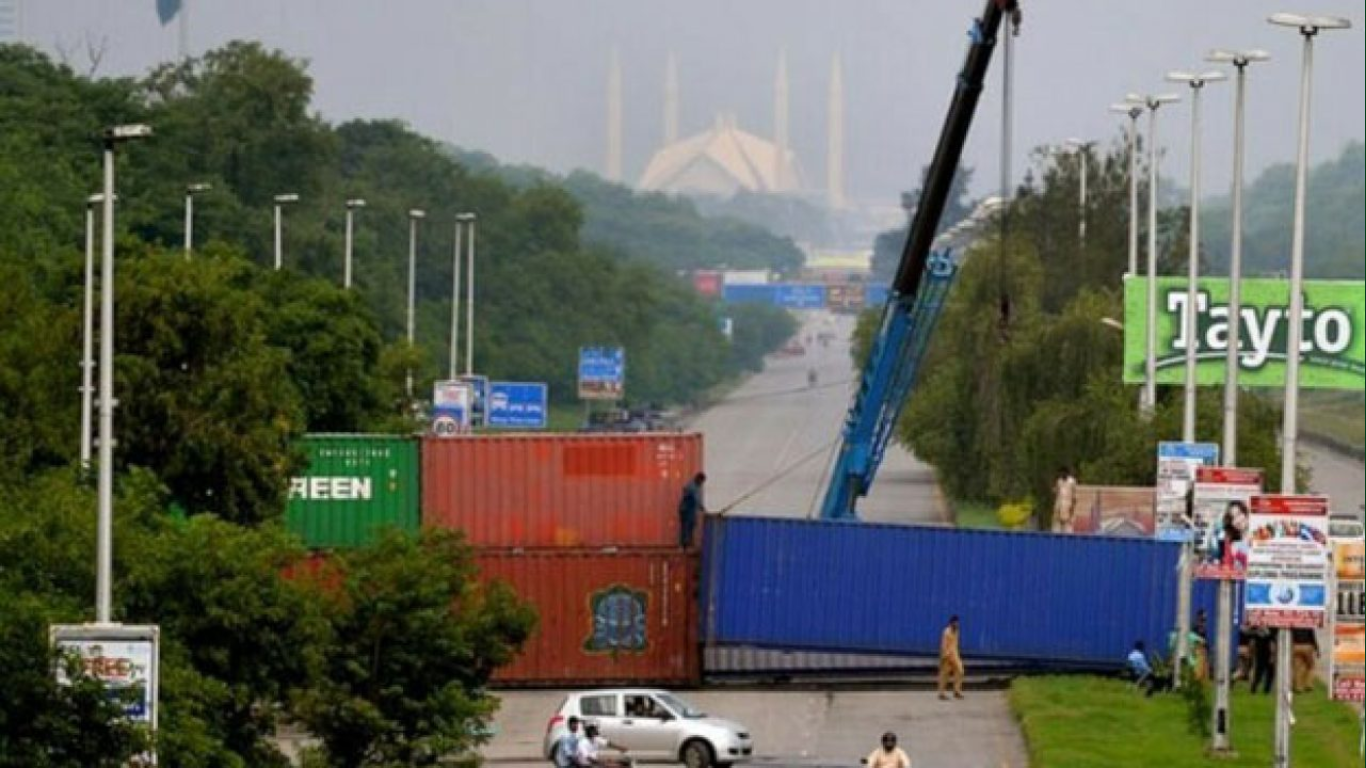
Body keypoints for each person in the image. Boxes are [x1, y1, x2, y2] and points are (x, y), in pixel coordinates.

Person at [938, 615, 965, 700]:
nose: (957, 624)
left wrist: (956, 654)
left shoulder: (957, 631)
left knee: (960, 671)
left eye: (957, 622)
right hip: (947, 655)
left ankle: (956, 691)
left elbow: (955, 644)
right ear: (951, 623)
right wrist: (944, 656)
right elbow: (943, 645)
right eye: (955, 622)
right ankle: (941, 693)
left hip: (955, 655)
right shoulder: (946, 632)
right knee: (945, 675)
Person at [678, 472, 707, 549]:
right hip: (686, 510)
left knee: (690, 526)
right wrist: (702, 507)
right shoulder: (692, 486)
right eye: (701, 481)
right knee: (686, 527)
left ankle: (687, 544)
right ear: (698, 479)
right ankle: (684, 545)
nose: (702, 483)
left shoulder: (695, 486)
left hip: (690, 509)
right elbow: (695, 498)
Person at [1291, 627, 1319, 693]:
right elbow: (1313, 638)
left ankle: (1298, 687)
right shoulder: (1308, 625)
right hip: (1307, 646)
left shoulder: (1293, 626)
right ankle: (1308, 684)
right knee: (1310, 666)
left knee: (1297, 668)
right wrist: (1317, 649)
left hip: (1296, 646)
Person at [1250, 626, 1275, 694]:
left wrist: (1252, 653)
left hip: (1259, 656)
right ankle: (1266, 690)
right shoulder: (1269, 634)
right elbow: (1272, 646)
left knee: (1258, 673)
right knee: (1270, 673)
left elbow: (1252, 644)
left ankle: (1253, 688)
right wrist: (1272, 656)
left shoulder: (1256, 634)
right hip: (1268, 655)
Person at [1051, 467, 1077, 533]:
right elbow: (1056, 492)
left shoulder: (1072, 482)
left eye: (1063, 473)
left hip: (1068, 506)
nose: (1062, 474)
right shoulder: (1059, 481)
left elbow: (1074, 496)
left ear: (1067, 473)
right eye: (1061, 473)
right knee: (1056, 526)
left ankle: (1068, 538)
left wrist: (1072, 507)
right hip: (1059, 506)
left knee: (1068, 526)